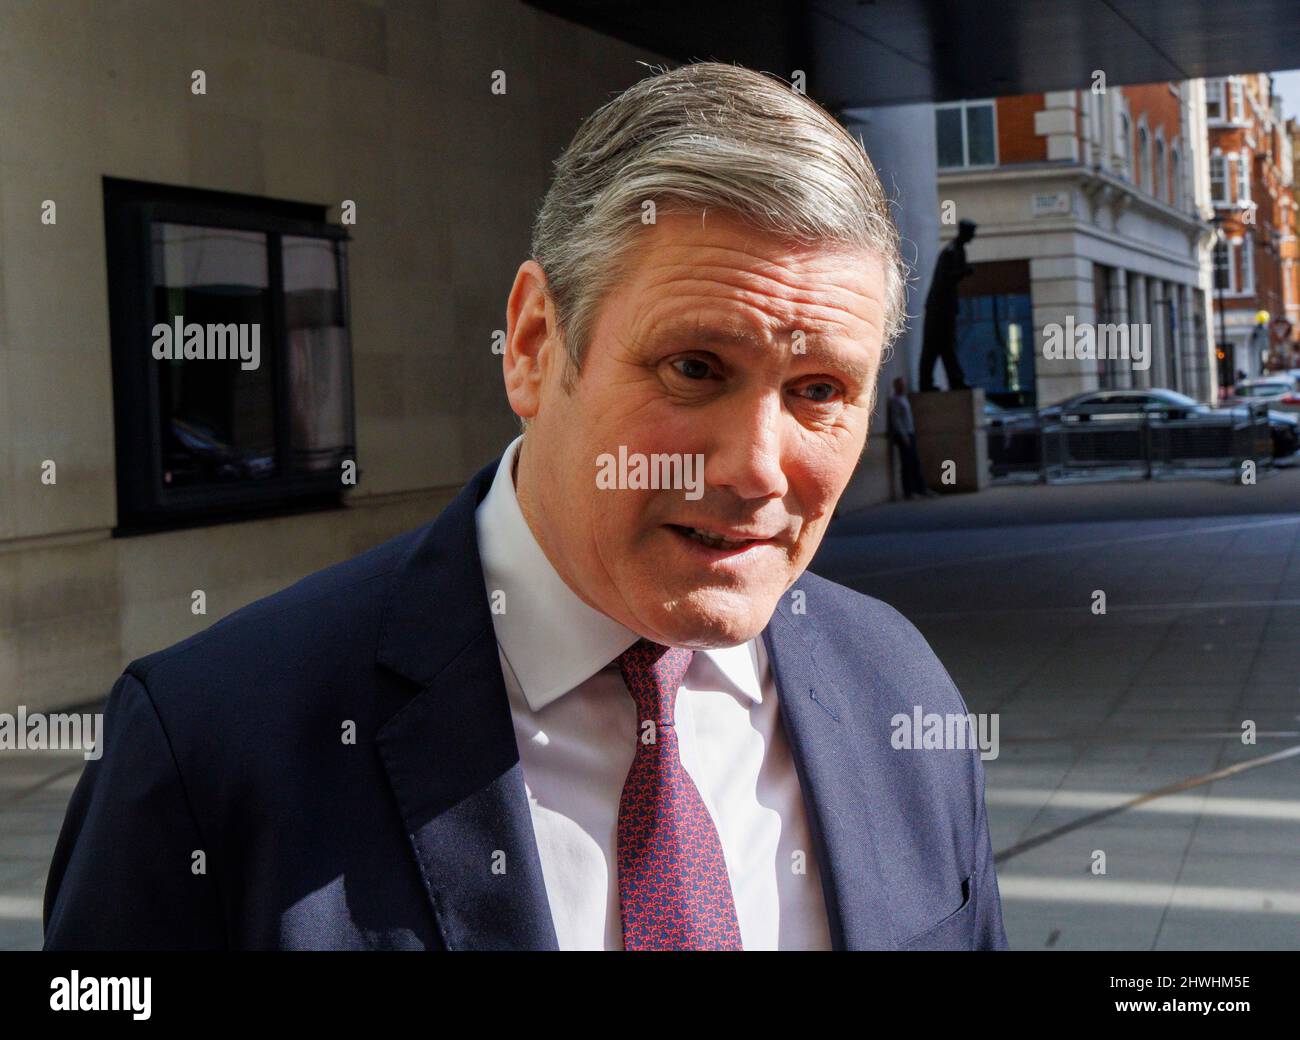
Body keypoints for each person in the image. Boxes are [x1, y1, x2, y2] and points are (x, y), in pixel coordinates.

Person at [44, 62, 1007, 952]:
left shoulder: (901, 691)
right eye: (695, 368)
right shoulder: (210, 748)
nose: (757, 472)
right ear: (535, 344)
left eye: (820, 392)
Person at [919, 219, 977, 392]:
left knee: (943, 346)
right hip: (939, 308)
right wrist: (964, 271)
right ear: (964, 232)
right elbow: (945, 278)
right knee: (937, 346)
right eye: (971, 233)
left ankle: (949, 381)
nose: (973, 237)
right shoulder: (951, 252)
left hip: (943, 307)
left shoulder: (957, 250)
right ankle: (941, 381)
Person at [887, 377, 935, 498]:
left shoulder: (904, 398)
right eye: (901, 385)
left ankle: (920, 488)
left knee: (915, 462)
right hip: (904, 435)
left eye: (904, 384)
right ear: (896, 386)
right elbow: (896, 419)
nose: (903, 387)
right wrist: (903, 435)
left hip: (910, 433)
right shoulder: (895, 400)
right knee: (907, 463)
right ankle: (909, 491)